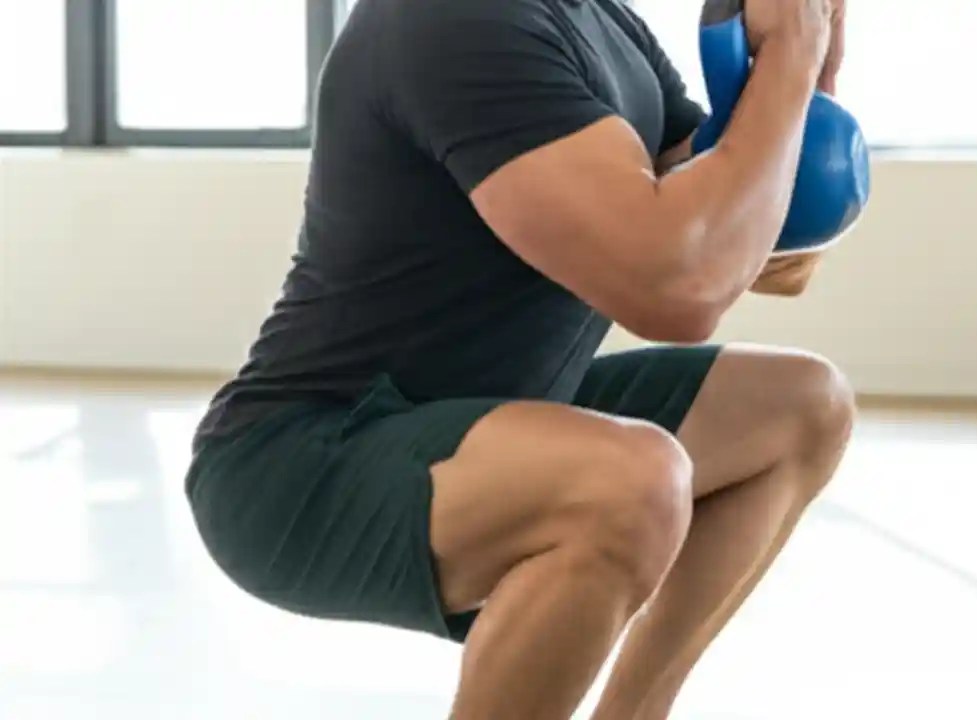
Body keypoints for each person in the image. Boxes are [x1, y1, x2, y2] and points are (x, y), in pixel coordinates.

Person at [185, 0, 853, 717]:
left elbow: (766, 251)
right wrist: (789, 51)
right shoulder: (454, 21)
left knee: (801, 406)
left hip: (498, 414)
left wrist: (807, 75)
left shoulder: (599, 19)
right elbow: (677, 291)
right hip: (306, 458)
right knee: (631, 482)